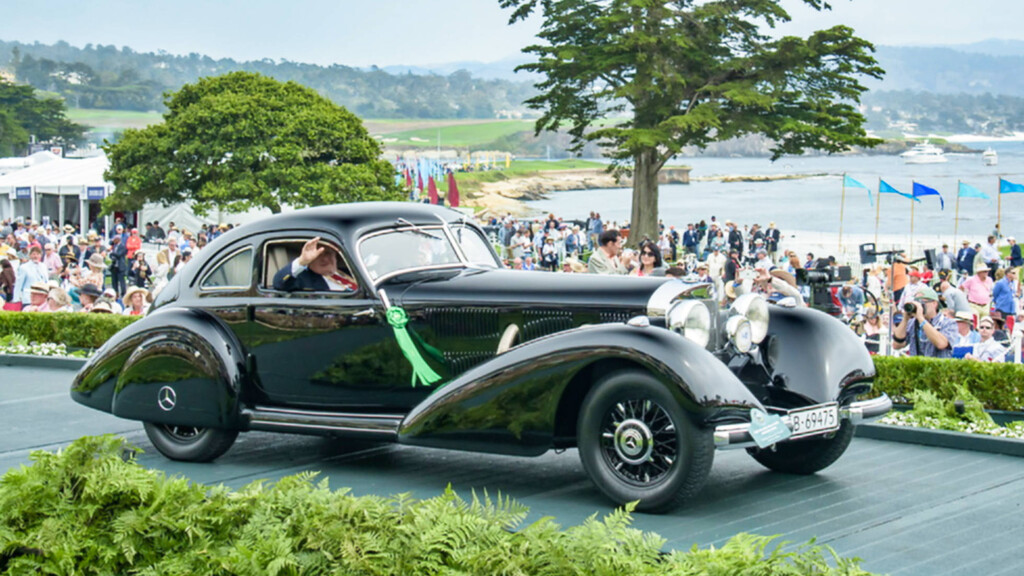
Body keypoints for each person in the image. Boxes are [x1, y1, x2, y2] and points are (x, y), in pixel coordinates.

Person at [892, 287, 958, 358]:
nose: (920, 306)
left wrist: (921, 319)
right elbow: (897, 345)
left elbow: (941, 344)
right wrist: (905, 319)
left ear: (934, 303)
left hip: (939, 367)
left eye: (922, 303)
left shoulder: (948, 323)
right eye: (917, 303)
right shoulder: (912, 323)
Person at [273, 237, 357, 292]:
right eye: (318, 255)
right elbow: (279, 283)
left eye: (328, 253)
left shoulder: (350, 272)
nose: (325, 259)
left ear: (335, 255)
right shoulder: (303, 278)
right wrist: (301, 261)